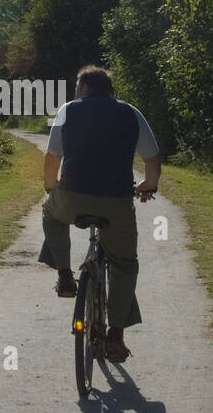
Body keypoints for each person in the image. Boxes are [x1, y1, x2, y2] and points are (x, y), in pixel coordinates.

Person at [39, 65, 161, 363]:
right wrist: (149, 184)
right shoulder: (130, 112)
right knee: (124, 263)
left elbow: (53, 156)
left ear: (83, 89)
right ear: (110, 90)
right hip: (116, 201)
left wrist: (50, 187)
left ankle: (65, 276)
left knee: (50, 214)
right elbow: (153, 157)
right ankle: (116, 336)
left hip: (72, 197)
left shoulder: (69, 109)